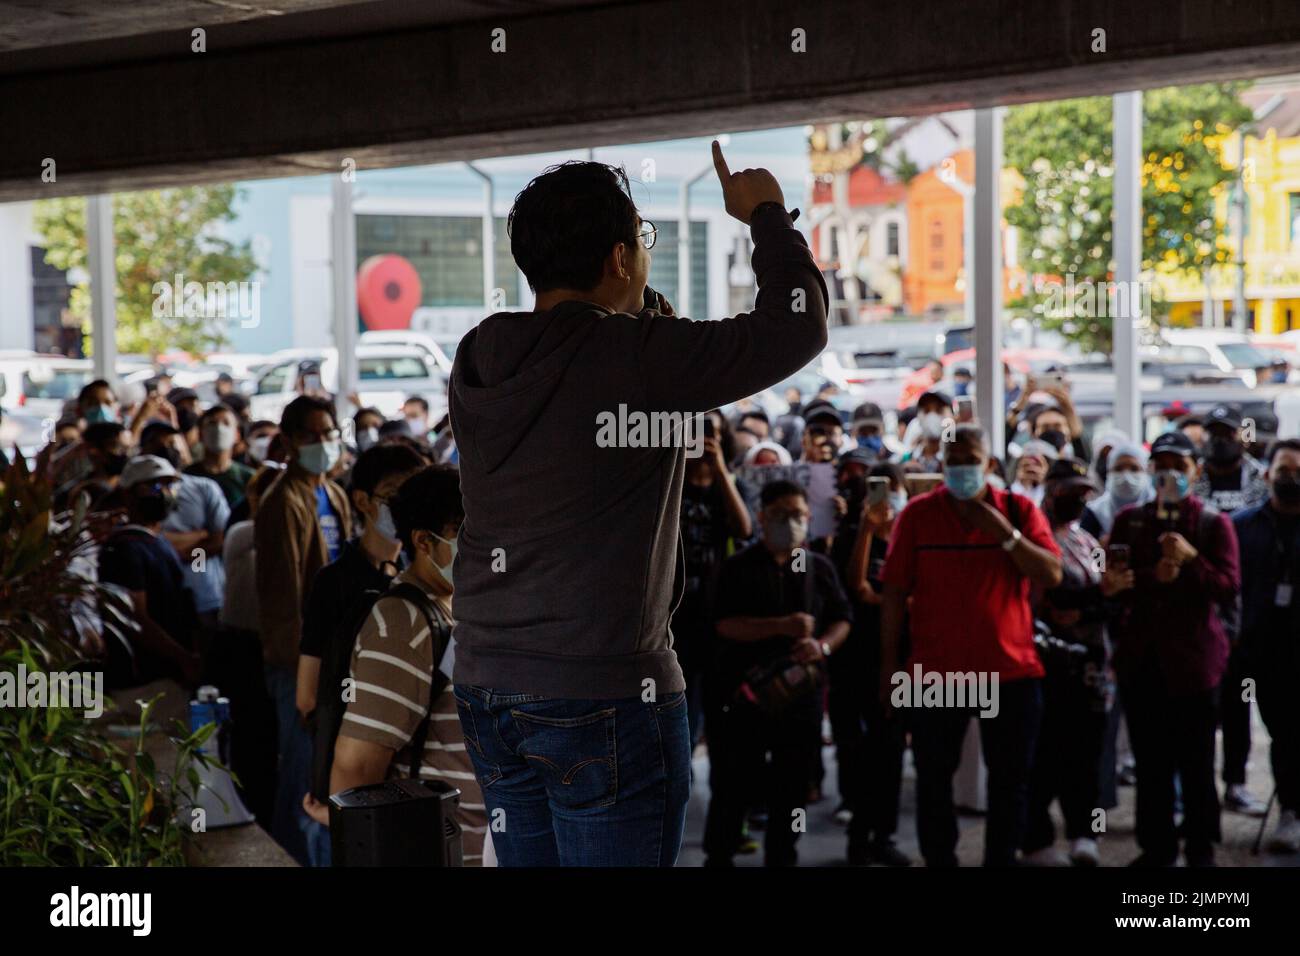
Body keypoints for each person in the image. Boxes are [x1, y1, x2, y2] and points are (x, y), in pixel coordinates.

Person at [448, 144, 827, 866]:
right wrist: (767, 216)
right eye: (641, 242)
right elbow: (796, 324)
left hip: (487, 680)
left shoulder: (481, 353)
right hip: (603, 689)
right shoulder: (634, 355)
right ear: (620, 257)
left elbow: (588, 374)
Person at [880, 424, 1063, 866]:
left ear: (990, 464)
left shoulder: (1017, 511)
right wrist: (889, 668)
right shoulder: (918, 515)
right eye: (954, 460)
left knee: (1010, 782)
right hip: (937, 674)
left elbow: (1050, 574)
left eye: (970, 459)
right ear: (942, 466)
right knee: (933, 780)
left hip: (1011, 672)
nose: (962, 467)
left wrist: (1004, 533)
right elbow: (893, 595)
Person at [303, 465, 491, 864]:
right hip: (435, 851)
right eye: (467, 534)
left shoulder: (453, 604)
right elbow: (356, 767)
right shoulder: (401, 625)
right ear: (424, 541)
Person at [1107, 430, 1240, 867]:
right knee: (1152, 765)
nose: (1168, 476)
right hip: (1142, 663)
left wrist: (1190, 561)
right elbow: (1116, 583)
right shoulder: (1131, 521)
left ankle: (1201, 848)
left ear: (1194, 472)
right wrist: (1145, 578)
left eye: (1178, 468)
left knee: (1197, 763)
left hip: (1195, 666)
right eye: (1160, 467)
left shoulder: (1212, 524)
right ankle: (1156, 847)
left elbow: (1227, 586)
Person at [704, 479, 852, 866]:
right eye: (782, 515)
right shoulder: (738, 568)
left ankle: (783, 856)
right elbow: (722, 625)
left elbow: (842, 620)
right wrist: (780, 627)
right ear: (762, 517)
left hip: (800, 703)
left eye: (799, 515)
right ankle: (719, 855)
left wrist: (820, 647)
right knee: (732, 786)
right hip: (741, 699)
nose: (792, 522)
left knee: (791, 789)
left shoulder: (817, 566)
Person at [296, 442, 427, 831]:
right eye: (393, 495)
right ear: (363, 501)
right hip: (352, 767)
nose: (404, 506)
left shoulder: (417, 574)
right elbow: (307, 695)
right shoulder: (335, 582)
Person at [255, 395, 352, 865]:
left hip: (329, 659)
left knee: (320, 778)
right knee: (300, 778)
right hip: (298, 664)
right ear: (290, 442)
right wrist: (302, 674)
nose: (323, 442)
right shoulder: (281, 501)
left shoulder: (331, 493)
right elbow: (281, 599)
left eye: (328, 432)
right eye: (312, 434)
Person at [1022, 459, 1131, 867]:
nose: (1077, 499)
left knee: (1086, 756)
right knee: (1045, 753)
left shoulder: (1087, 540)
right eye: (1068, 492)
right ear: (1049, 494)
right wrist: (1099, 598)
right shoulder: (1039, 544)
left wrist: (1104, 597)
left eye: (1083, 492)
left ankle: (1084, 833)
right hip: (1049, 664)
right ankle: (1037, 839)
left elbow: (1111, 598)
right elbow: (1057, 605)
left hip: (1094, 667)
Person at [1190, 404, 1270, 816]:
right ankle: (1196, 792)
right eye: (1213, 433)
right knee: (1203, 708)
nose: (1220, 440)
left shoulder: (1261, 480)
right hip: (1201, 612)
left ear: (1243, 435)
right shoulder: (1192, 479)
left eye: (1228, 432)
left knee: (1241, 704)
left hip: (1247, 609)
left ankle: (1235, 784)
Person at [840, 461, 911, 866]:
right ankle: (857, 836)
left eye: (894, 489)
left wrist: (884, 599)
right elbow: (854, 584)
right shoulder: (854, 534)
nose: (889, 498)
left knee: (891, 749)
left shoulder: (911, 535)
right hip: (857, 659)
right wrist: (867, 528)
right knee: (858, 749)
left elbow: (913, 595)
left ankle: (882, 835)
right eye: (880, 489)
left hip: (900, 658)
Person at [1233, 439, 1300, 852]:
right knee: (1285, 734)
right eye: (1284, 470)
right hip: (1262, 651)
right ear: (1267, 473)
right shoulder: (1242, 526)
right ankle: (1291, 811)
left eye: (1298, 470)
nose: (1290, 478)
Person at [675, 414, 752, 748]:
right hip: (675, 609)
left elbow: (743, 529)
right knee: (682, 696)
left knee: (716, 693)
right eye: (698, 433)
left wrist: (719, 470)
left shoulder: (731, 483)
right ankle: (686, 761)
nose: (704, 440)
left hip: (717, 607)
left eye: (713, 434)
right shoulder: (672, 481)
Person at [97, 455, 202, 690]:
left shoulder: (156, 540)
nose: (164, 493)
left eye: (169, 485)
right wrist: (183, 658)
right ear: (128, 494)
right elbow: (135, 618)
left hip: (170, 672)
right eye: (153, 486)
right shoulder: (124, 548)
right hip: (146, 678)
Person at [139, 422, 230, 641]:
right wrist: (198, 535)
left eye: (172, 443)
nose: (167, 449)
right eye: (158, 444)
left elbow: (219, 539)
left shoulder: (204, 488)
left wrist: (188, 550)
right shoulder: (140, 495)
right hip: (160, 600)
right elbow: (147, 538)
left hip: (204, 590)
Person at [186, 404, 255, 510]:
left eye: (226, 423)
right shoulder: (187, 476)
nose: (218, 428)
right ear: (200, 434)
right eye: (211, 423)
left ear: (237, 435)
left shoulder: (250, 478)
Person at [1081, 440, 1151, 541]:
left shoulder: (1157, 509)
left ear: (1146, 471)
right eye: (1118, 468)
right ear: (1109, 472)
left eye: (1134, 469)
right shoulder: (1095, 512)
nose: (1126, 476)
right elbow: (1089, 554)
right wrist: (1100, 550)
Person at [900, 390, 951, 473]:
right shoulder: (908, 458)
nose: (932, 416)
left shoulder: (957, 457)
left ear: (953, 417)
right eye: (926, 411)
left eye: (939, 410)